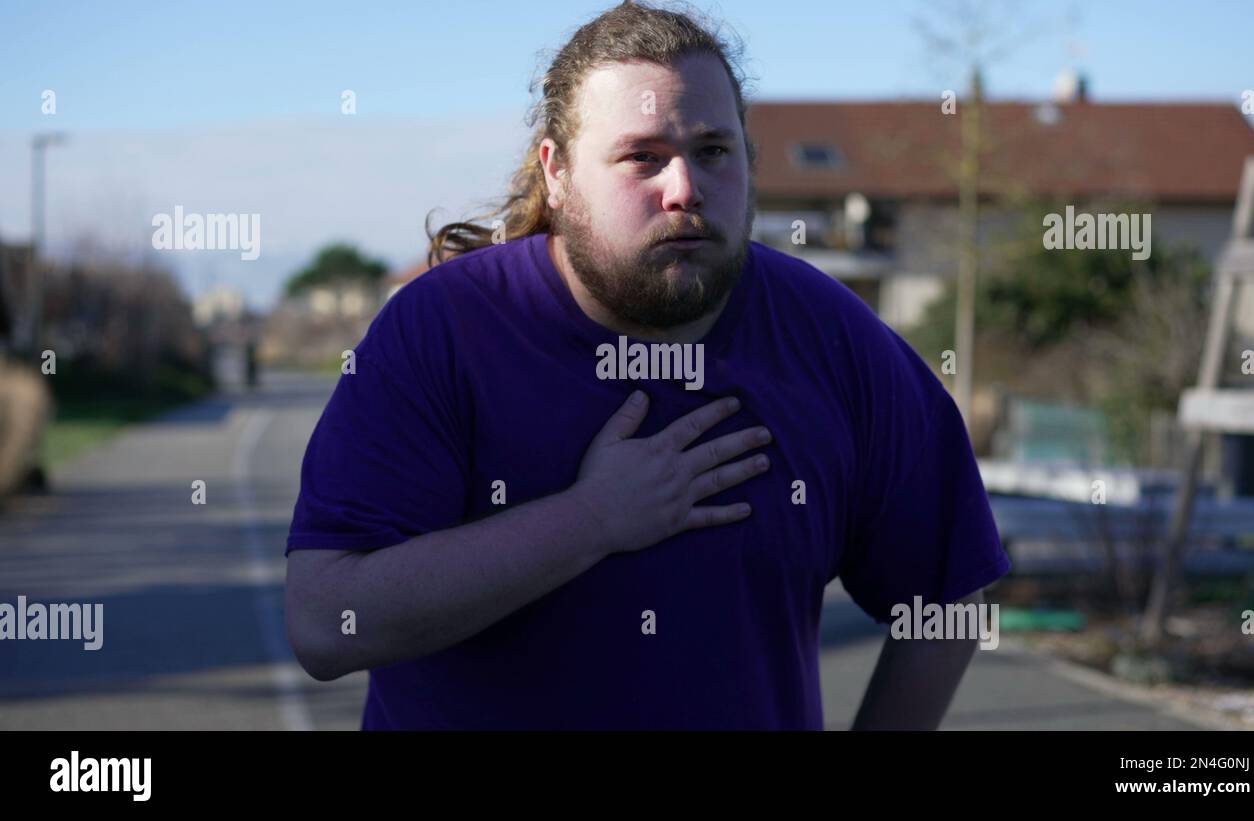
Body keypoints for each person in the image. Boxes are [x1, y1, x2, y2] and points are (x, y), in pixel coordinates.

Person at [284, 0, 1010, 730]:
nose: (684, 188)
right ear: (558, 173)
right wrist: (591, 519)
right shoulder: (443, 329)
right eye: (643, 157)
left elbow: (948, 605)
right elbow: (326, 623)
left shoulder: (836, 339)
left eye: (713, 151)